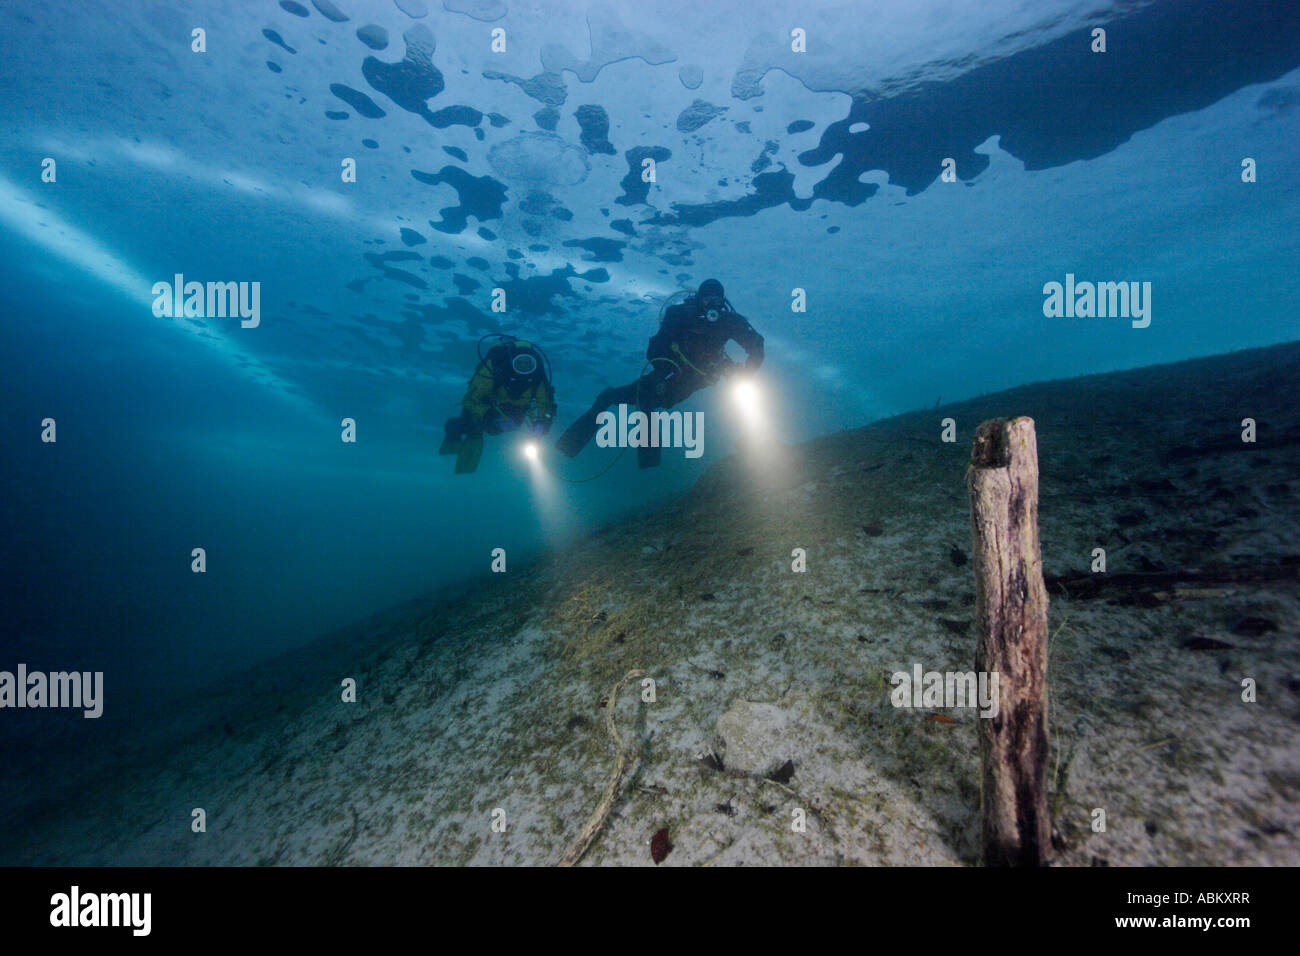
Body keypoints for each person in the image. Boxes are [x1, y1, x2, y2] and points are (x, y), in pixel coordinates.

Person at [555, 279, 763, 468]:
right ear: (699, 299)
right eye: (708, 299)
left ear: (722, 302)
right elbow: (654, 349)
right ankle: (570, 445)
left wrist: (747, 373)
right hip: (670, 373)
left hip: (699, 377)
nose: (712, 306)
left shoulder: (729, 321)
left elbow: (756, 345)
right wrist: (665, 374)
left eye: (717, 301)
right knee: (612, 397)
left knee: (645, 401)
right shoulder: (680, 314)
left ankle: (649, 462)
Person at [440, 335, 555, 473]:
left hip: (512, 410)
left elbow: (546, 404)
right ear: (512, 362)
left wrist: (542, 424)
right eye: (520, 363)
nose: (524, 368)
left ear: (534, 364)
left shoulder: (537, 377)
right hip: (488, 405)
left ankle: (475, 432)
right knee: (471, 425)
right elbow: (470, 399)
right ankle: (455, 436)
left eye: (528, 364)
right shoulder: (495, 368)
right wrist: (489, 414)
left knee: (497, 429)